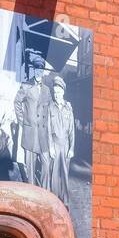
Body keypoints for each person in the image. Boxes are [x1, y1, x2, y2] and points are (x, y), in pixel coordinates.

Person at [13, 52, 49, 187]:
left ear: (43, 71)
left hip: (43, 135)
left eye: (41, 69)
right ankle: (32, 192)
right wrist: (23, 121)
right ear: (33, 70)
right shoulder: (26, 86)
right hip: (30, 133)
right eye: (37, 69)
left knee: (47, 164)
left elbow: (49, 109)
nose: (39, 72)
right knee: (31, 167)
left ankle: (45, 192)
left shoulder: (47, 90)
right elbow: (17, 103)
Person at [45, 75, 75, 206]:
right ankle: (54, 201)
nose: (56, 95)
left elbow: (72, 130)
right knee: (54, 174)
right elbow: (48, 129)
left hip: (66, 145)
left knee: (65, 174)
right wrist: (51, 146)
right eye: (54, 92)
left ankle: (65, 202)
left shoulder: (69, 108)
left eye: (58, 92)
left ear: (63, 92)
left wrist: (72, 148)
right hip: (55, 145)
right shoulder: (50, 107)